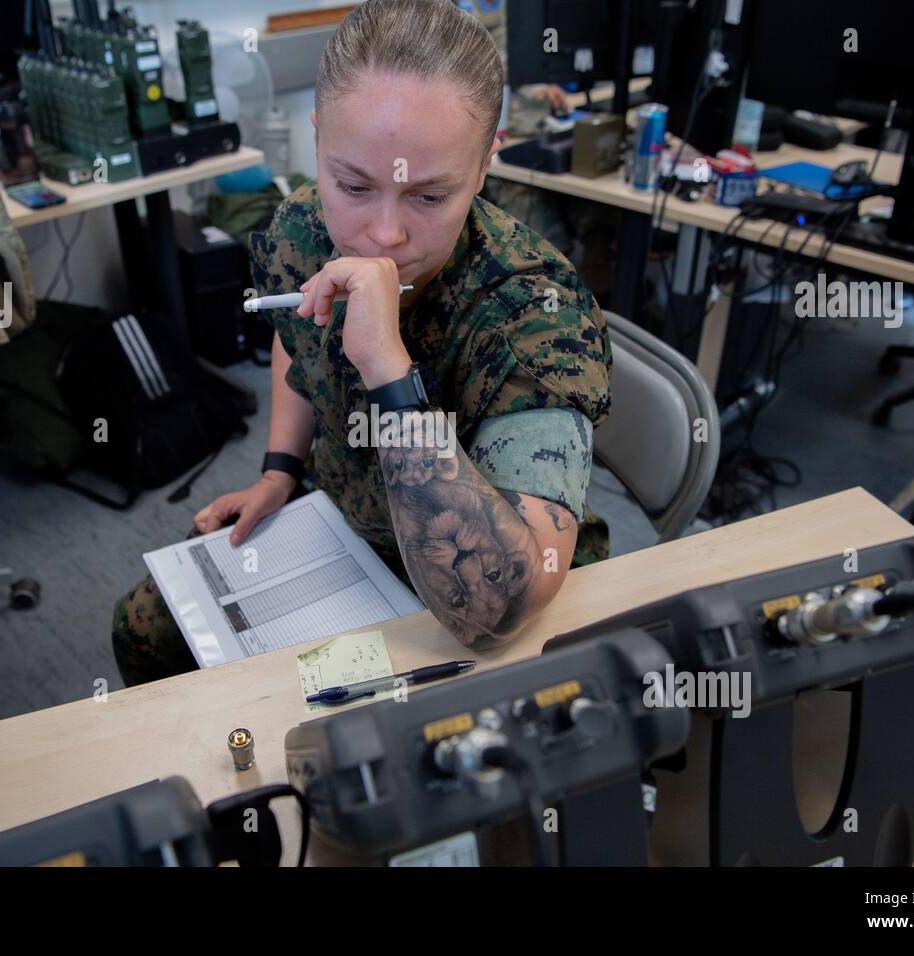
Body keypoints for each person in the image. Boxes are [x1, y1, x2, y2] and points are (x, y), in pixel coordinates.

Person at [111, 0, 613, 686]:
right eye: (353, 184)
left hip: (483, 583)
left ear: (485, 162)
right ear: (317, 140)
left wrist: (388, 369)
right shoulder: (304, 228)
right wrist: (279, 470)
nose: (383, 235)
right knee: (144, 628)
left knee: (313, 720)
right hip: (349, 517)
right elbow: (300, 337)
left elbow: (497, 609)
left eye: (429, 197)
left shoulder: (533, 314)